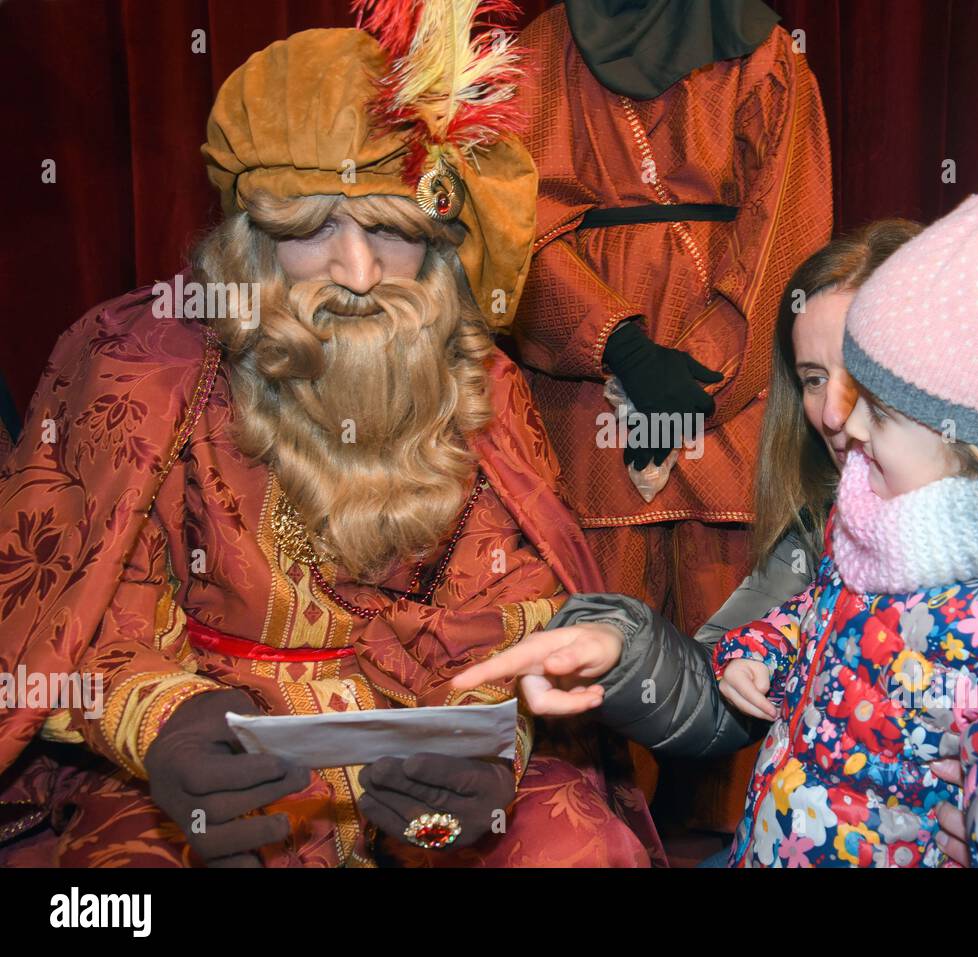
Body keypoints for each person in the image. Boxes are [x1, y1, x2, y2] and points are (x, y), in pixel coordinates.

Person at [455, 147, 978, 866]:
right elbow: (761, 660)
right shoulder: (862, 512)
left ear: (975, 429)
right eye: (815, 380)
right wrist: (624, 647)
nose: (834, 416)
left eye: (868, 392)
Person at [0, 5, 663, 869]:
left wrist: (489, 745)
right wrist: (162, 724)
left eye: (388, 228)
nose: (357, 275)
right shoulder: (141, 361)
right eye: (313, 229)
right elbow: (80, 604)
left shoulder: (483, 384)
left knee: (576, 851)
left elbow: (519, 603)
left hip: (421, 773)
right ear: (249, 240)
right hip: (211, 765)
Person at [512, 0, 833, 641]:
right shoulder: (541, 51)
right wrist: (625, 350)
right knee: (593, 647)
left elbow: (786, 237)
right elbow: (513, 225)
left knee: (737, 644)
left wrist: (684, 380)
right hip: (594, 395)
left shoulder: (767, 52)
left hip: (717, 400)